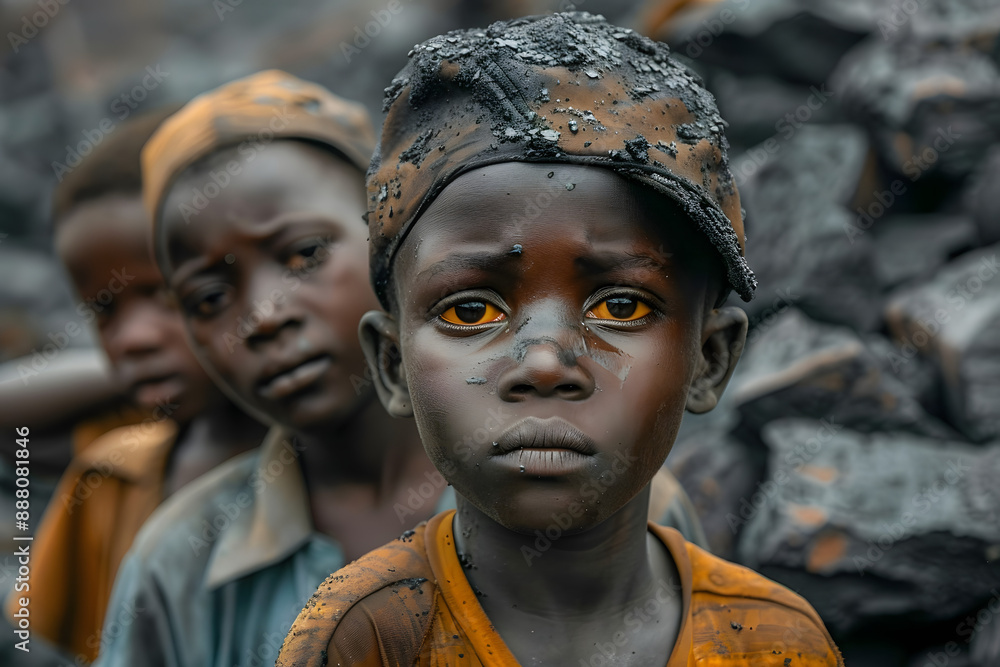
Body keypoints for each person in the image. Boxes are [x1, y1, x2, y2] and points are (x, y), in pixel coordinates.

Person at [277, 13, 844, 666]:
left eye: (622, 305)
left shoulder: (776, 644)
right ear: (393, 363)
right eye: (470, 312)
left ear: (709, 359)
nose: (544, 363)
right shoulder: (368, 637)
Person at [2, 107, 266, 663]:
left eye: (167, 294)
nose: (133, 337)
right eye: (103, 312)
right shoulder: (120, 469)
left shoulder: (340, 455)